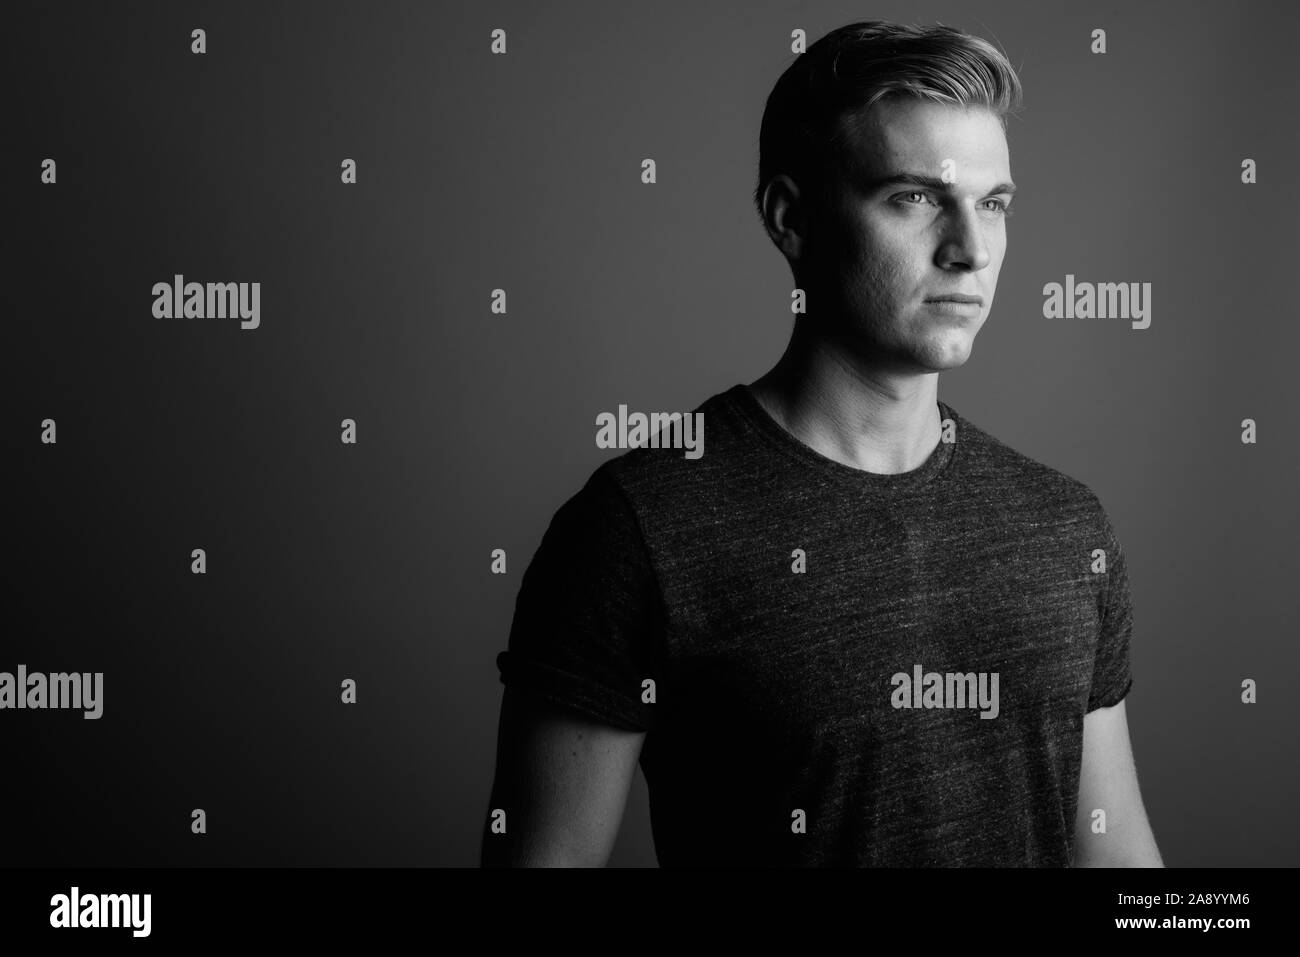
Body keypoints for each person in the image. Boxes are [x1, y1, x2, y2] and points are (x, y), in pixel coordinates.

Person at [482, 20, 1163, 867]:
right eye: (915, 197)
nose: (971, 249)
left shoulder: (1065, 527)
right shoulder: (639, 528)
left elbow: (1122, 862)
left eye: (994, 204)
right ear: (792, 218)